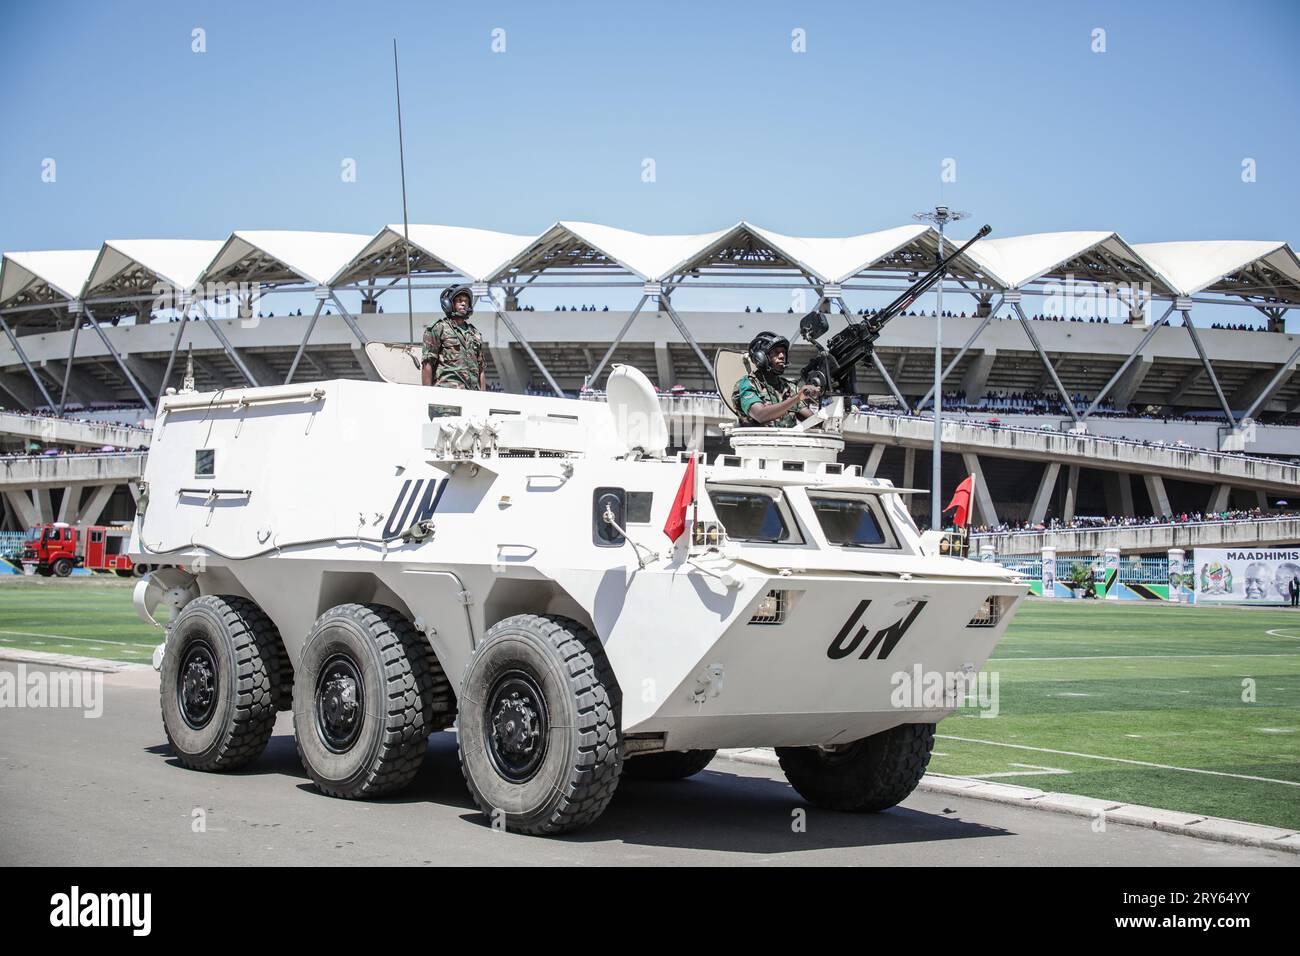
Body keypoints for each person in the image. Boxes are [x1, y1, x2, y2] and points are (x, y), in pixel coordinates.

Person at [732, 331, 820, 427]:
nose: (782, 356)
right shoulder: (748, 384)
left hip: (788, 441)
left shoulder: (790, 388)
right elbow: (760, 415)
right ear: (761, 358)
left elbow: (814, 422)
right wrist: (797, 398)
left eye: (783, 352)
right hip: (758, 441)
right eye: (776, 352)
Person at [422, 284, 486, 390]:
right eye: (459, 300)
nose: (464, 303)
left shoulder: (475, 334)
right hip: (446, 392)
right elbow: (427, 363)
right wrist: (427, 394)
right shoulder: (439, 328)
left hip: (472, 395)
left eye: (466, 301)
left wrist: (484, 397)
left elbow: (481, 369)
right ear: (449, 304)